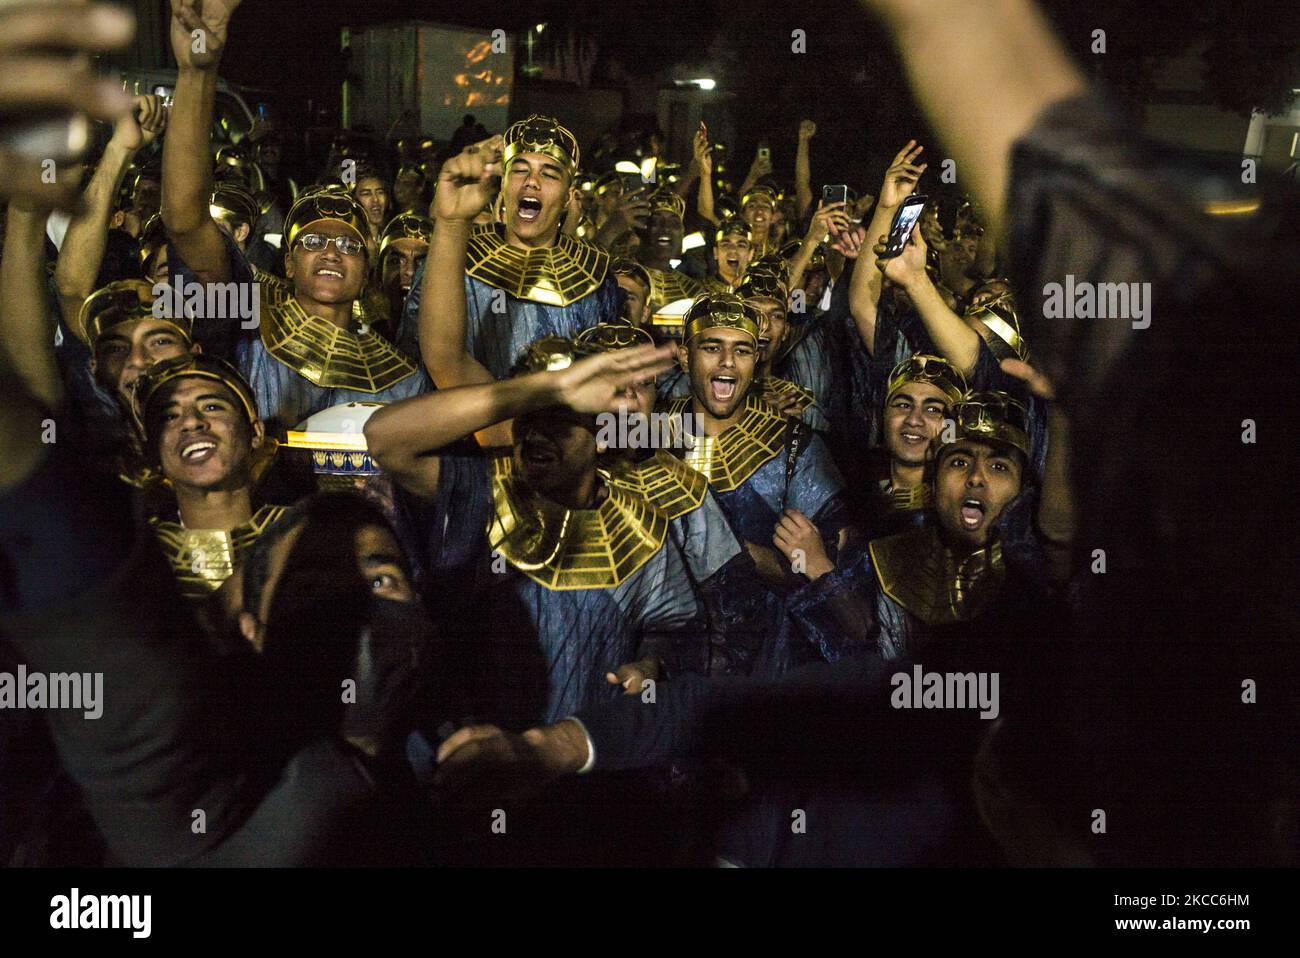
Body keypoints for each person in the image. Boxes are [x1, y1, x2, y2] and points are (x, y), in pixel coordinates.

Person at [364, 333, 711, 729]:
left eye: (560, 420)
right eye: (529, 417)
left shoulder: (638, 527)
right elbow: (383, 439)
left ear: (603, 437)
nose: (536, 434)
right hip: (478, 761)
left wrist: (650, 665)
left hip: (586, 763)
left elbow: (674, 628)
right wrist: (550, 386)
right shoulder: (483, 491)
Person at [159, 0, 427, 436]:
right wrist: (196, 74)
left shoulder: (400, 377)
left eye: (348, 244)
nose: (332, 253)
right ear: (286, 263)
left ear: (368, 269)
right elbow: (185, 220)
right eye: (314, 242)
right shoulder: (250, 321)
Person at [405, 115, 621, 387]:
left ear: (568, 197)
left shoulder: (596, 274)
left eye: (549, 173)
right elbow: (424, 364)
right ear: (503, 184)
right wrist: (451, 224)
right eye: (519, 170)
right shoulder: (452, 262)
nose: (532, 181)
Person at [133, 353, 287, 600]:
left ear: (255, 433)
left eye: (212, 407)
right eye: (169, 416)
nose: (192, 422)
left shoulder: (303, 536)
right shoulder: (135, 559)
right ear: (152, 453)